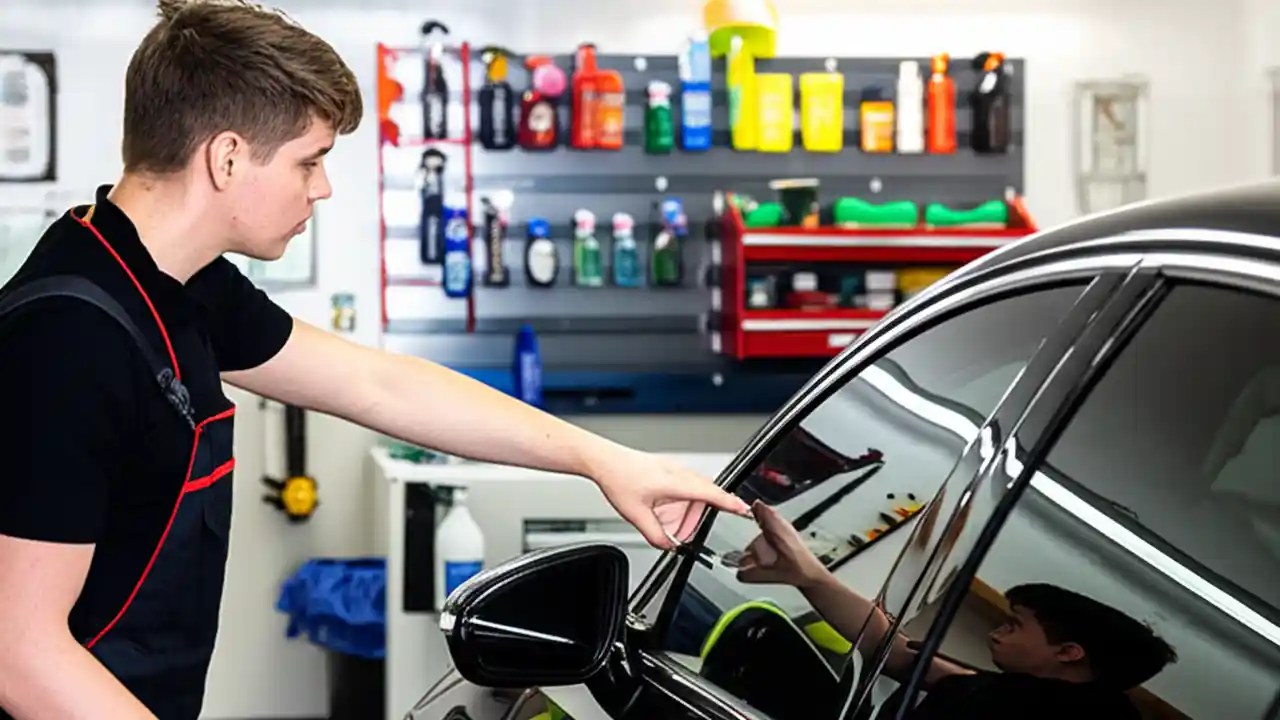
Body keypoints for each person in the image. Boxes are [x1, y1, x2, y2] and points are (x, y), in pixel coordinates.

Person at [0, 2, 751, 718]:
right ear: (227, 157)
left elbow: (377, 384)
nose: (322, 188)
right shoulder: (69, 338)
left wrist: (603, 461)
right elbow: (19, 654)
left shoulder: (175, 281)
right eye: (310, 161)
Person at [736, 502, 1179, 720]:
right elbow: (898, 654)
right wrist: (810, 576)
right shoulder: (1020, 694)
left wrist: (811, 576)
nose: (996, 634)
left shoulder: (1017, 708)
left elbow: (901, 657)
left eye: (1014, 624)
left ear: (1068, 652)